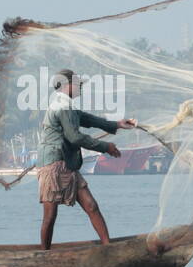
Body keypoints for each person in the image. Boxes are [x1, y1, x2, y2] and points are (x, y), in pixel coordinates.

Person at [37, 68, 137, 249]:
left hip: (66, 164)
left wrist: (118, 124)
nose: (80, 88)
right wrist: (106, 147)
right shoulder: (61, 106)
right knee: (50, 216)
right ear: (67, 85)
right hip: (53, 164)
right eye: (77, 84)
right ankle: (44, 256)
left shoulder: (68, 106)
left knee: (91, 205)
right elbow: (75, 137)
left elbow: (89, 119)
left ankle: (108, 249)